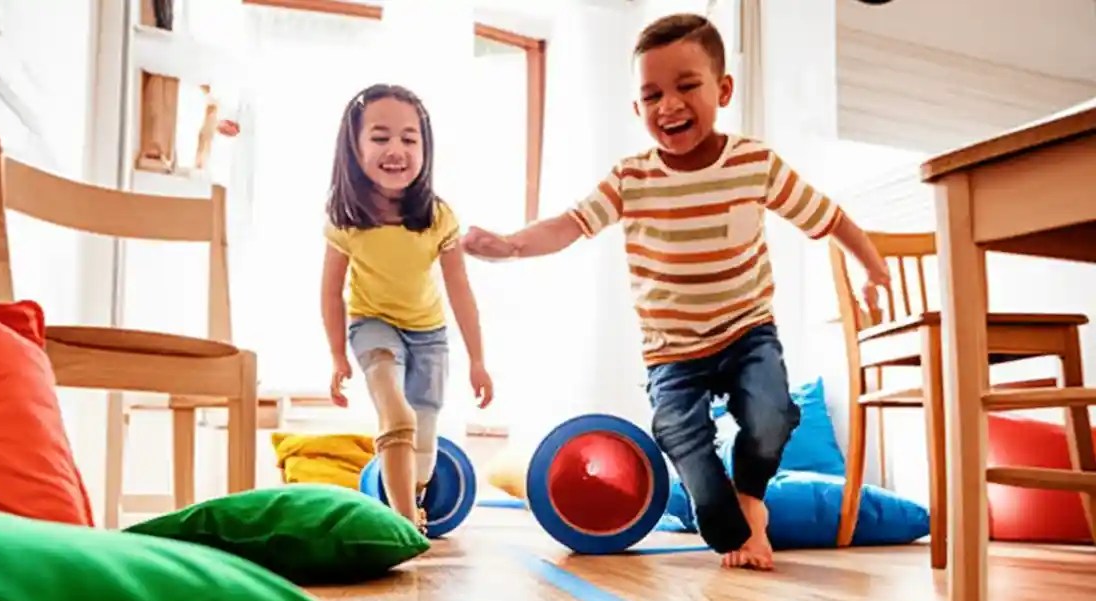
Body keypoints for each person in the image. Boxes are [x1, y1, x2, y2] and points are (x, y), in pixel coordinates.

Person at [460, 14, 890, 570]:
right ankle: (727, 519)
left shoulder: (753, 163)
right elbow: (570, 224)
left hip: (746, 331)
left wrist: (873, 270)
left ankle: (751, 496)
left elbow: (830, 219)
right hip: (672, 351)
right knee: (685, 453)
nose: (669, 105)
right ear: (636, 109)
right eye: (652, 94)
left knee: (772, 415)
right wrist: (514, 244)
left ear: (723, 89)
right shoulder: (631, 178)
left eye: (687, 86)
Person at [321, 83, 494, 534]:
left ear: (425, 147)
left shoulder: (438, 217)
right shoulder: (346, 220)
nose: (395, 149)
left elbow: (460, 289)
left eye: (408, 139)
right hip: (372, 324)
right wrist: (338, 354)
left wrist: (478, 359)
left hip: (429, 334)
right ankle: (403, 525)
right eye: (380, 138)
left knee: (423, 431)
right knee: (396, 414)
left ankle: (413, 495)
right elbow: (330, 292)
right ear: (354, 147)